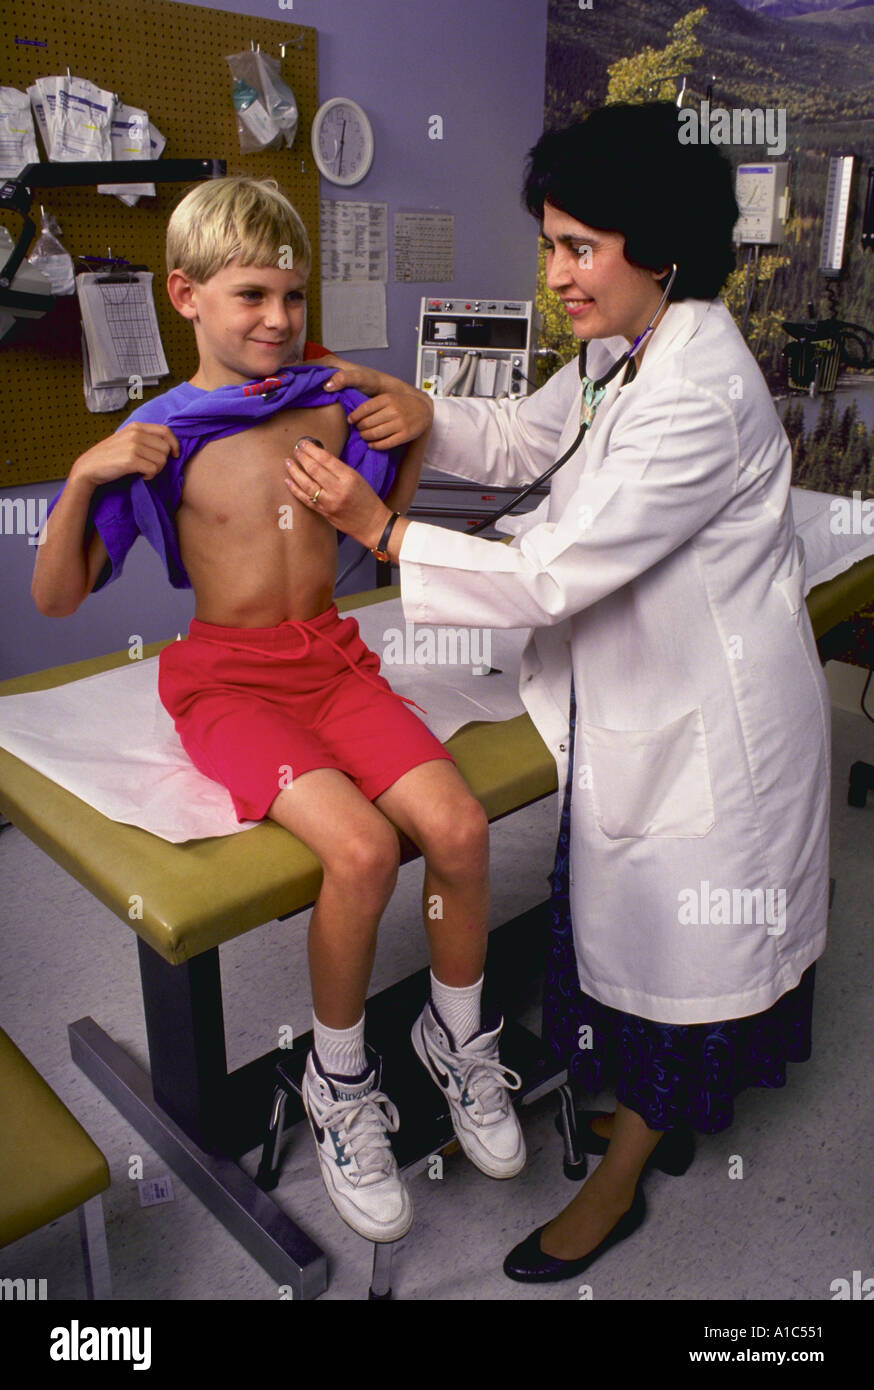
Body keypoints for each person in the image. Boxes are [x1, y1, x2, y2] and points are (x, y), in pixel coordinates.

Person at [286, 103, 831, 1284]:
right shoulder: (621, 351)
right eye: (550, 246)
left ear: (659, 247)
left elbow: (545, 574)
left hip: (709, 732)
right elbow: (533, 440)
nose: (554, 276)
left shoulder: (697, 387)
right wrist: (427, 411)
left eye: (578, 248)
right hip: (632, 702)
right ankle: (636, 1118)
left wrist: (382, 528)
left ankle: (620, 1180)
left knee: (679, 959)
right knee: (619, 929)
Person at [30, 175, 526, 1246]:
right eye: (251, 294)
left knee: (457, 826)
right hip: (227, 678)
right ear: (185, 296)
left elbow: (375, 526)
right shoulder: (161, 434)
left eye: (294, 296)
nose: (277, 320)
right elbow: (58, 596)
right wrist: (81, 475)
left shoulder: (333, 395)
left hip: (335, 659)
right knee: (355, 850)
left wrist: (423, 425)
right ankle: (336, 1081)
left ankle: (456, 1039)